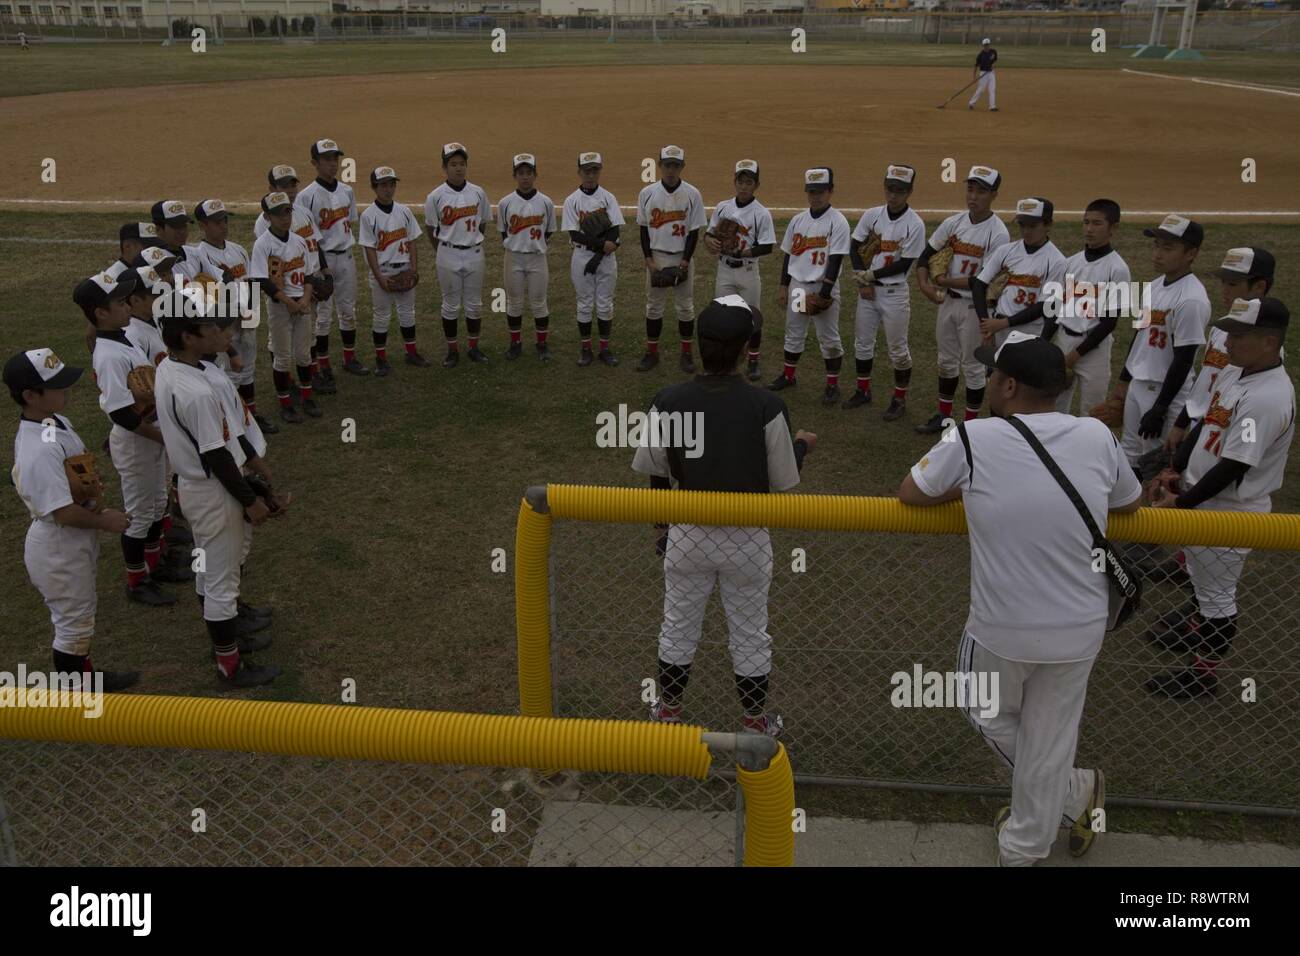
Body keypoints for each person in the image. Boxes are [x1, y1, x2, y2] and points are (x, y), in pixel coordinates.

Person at [900, 331, 1141, 866]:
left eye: (992, 374)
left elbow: (911, 492)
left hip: (1002, 627)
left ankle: (1071, 795)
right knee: (1049, 735)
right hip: (1083, 625)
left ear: (1008, 385)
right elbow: (1129, 500)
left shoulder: (972, 438)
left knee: (986, 714)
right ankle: (1027, 842)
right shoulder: (1096, 436)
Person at [633, 295, 817, 736]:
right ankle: (754, 724)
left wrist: (661, 528)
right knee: (750, 631)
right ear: (744, 349)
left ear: (699, 345)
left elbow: (656, 471)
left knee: (677, 625)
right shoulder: (767, 406)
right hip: (747, 537)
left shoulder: (668, 398)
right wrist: (803, 446)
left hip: (687, 531)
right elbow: (783, 480)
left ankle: (670, 713)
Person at [1147, 297, 1294, 698]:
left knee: (1217, 599)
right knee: (1199, 584)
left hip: (1231, 512)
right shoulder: (1236, 371)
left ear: (1269, 342)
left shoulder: (1267, 398)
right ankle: (1195, 637)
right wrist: (1176, 470)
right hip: (1203, 497)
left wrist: (1183, 503)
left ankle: (1202, 676)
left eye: (1240, 335)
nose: (1228, 341)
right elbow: (1207, 422)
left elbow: (1234, 466)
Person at [154, 309, 282, 689]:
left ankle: (228, 639)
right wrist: (251, 500)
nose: (218, 331)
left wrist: (255, 475)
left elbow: (223, 441)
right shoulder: (194, 392)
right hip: (212, 490)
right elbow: (216, 455)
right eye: (208, 327)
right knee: (221, 583)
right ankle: (230, 666)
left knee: (209, 569)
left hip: (197, 487)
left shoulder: (171, 367)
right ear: (189, 338)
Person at [6, 347, 138, 692]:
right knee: (73, 624)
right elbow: (62, 511)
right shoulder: (38, 449)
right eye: (55, 386)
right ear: (30, 396)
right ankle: (75, 694)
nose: (66, 390)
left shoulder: (51, 422)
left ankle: (84, 678)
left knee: (81, 616)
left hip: (69, 539)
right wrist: (105, 521)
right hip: (58, 545)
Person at [78, 270, 187, 607]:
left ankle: (156, 563)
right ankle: (137, 580)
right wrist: (163, 437)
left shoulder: (121, 338)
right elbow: (122, 415)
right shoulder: (109, 355)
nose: (127, 305)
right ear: (100, 313)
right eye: (119, 302)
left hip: (149, 436)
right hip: (137, 440)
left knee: (156, 504)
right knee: (140, 514)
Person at [1102, 214, 1210, 471]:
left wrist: (1160, 407)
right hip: (1139, 386)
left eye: (1168, 248)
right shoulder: (1153, 286)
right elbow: (1140, 336)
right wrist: (1123, 383)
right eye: (1157, 246)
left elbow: (1184, 359)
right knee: (1128, 454)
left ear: (1191, 253)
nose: (1158, 254)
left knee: (1155, 463)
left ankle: (1157, 512)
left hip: (1166, 393)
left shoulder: (1192, 299)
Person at [914, 165, 1010, 432]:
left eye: (981, 191)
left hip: (974, 307)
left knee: (974, 367)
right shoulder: (953, 223)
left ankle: (969, 427)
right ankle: (944, 418)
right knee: (945, 361)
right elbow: (925, 257)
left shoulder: (998, 233)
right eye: (970, 189)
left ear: (994, 195)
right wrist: (924, 285)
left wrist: (942, 280)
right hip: (947, 303)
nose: (973, 196)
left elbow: (981, 281)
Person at [844, 163, 925, 420]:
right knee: (863, 344)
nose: (894, 194)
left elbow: (905, 262)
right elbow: (854, 246)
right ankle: (863, 390)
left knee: (898, 350)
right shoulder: (872, 215)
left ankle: (899, 399)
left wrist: (872, 274)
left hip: (894, 294)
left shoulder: (915, 224)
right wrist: (863, 281)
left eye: (900, 190)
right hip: (867, 292)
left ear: (909, 191)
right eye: (890, 189)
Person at [768, 167, 852, 406]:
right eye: (811, 191)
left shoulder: (838, 221)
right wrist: (784, 286)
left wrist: (824, 294)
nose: (815, 196)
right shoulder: (798, 220)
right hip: (797, 285)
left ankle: (832, 385)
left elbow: (835, 260)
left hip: (822, 287)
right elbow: (788, 256)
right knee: (794, 333)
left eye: (821, 191)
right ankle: (789, 375)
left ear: (831, 191)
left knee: (829, 338)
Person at [1041, 199, 1130, 416]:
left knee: (1091, 413)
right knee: (1054, 408)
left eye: (1097, 223)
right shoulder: (1069, 263)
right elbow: (1055, 308)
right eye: (1086, 222)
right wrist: (1043, 343)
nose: (1089, 229)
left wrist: (1075, 356)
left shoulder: (1119, 269)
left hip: (1095, 349)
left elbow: (1110, 323)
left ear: (1113, 228)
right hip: (1063, 340)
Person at [249, 191, 321, 425]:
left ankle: (307, 398)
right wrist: (290, 302)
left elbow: (309, 274)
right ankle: (286, 405)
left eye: (288, 211)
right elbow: (262, 281)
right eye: (279, 213)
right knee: (282, 358)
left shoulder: (299, 240)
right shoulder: (263, 245)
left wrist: (305, 300)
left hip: (302, 303)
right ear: (268, 217)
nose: (285, 217)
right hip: (280, 307)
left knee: (303, 354)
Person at [635, 145, 708, 374]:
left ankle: (686, 354)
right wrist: (649, 261)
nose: (671, 170)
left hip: (680, 257)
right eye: (667, 165)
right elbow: (644, 230)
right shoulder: (647, 193)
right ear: (660, 166)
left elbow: (694, 231)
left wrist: (685, 262)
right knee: (654, 306)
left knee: (685, 307)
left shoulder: (692, 194)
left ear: (682, 167)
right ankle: (651, 352)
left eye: (675, 165)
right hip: (656, 257)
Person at [296, 138, 361, 384]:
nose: (333, 164)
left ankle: (349, 358)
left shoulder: (347, 191)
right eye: (327, 160)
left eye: (335, 158)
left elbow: (349, 222)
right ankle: (323, 365)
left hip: (346, 257)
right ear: (315, 163)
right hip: (321, 261)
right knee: (323, 316)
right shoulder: (306, 197)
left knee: (348, 311)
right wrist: (318, 269)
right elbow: (307, 236)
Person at [704, 159, 775, 381]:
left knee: (752, 317)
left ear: (756, 185)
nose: (744, 186)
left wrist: (741, 253)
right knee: (723, 315)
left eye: (749, 182)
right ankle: (725, 358)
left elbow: (767, 246)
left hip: (747, 271)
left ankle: (753, 360)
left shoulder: (761, 213)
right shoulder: (723, 207)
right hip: (724, 270)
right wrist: (710, 241)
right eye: (740, 181)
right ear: (734, 182)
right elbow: (710, 234)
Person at [425, 142, 492, 367]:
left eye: (462, 164)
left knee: (474, 304)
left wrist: (469, 241)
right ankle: (452, 350)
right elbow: (430, 229)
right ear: (444, 167)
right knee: (450, 304)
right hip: (447, 254)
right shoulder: (435, 196)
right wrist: (444, 250)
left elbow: (482, 224)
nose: (458, 168)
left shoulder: (478, 192)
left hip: (474, 253)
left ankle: (473, 347)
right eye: (453, 164)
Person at [359, 165, 429, 376]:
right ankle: (381, 359)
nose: (388, 189)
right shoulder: (368, 216)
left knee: (407, 313)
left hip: (404, 268)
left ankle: (411, 352)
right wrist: (379, 277)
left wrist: (414, 270)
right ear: (374, 187)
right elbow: (369, 249)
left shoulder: (404, 211)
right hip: (383, 272)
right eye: (383, 185)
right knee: (381, 316)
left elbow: (412, 242)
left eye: (391, 184)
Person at [974, 198, 1066, 350]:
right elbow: (979, 284)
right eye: (1022, 225)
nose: (1026, 231)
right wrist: (986, 327)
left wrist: (1003, 323)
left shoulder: (1057, 261)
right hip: (997, 329)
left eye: (1033, 226)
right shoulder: (1005, 251)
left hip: (1028, 333)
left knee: (1013, 375)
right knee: (992, 373)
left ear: (1048, 225)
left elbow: (1046, 306)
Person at [560, 151, 624, 367]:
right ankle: (586, 349)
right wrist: (600, 246)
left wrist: (598, 256)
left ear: (599, 171)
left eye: (595, 170)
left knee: (605, 304)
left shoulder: (608, 197)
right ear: (579, 172)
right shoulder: (572, 200)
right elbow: (574, 234)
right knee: (584, 303)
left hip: (605, 258)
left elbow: (614, 230)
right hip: (581, 256)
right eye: (587, 170)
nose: (591, 174)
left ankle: (605, 349)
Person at [496, 153, 556, 362]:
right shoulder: (505, 203)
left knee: (539, 302)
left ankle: (542, 344)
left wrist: (535, 245)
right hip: (513, 257)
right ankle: (515, 343)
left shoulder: (546, 202)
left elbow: (549, 231)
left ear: (535, 174)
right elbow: (503, 231)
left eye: (529, 173)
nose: (525, 177)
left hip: (537, 258)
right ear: (515, 175)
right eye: (521, 173)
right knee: (514, 302)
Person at [969, 38, 998, 112]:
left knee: (992, 89)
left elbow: (995, 60)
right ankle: (971, 103)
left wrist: (993, 65)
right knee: (981, 90)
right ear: (983, 45)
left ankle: (992, 106)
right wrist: (974, 77)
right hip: (983, 73)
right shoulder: (980, 55)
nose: (987, 46)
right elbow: (976, 66)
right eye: (985, 45)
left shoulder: (993, 52)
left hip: (991, 73)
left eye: (988, 44)